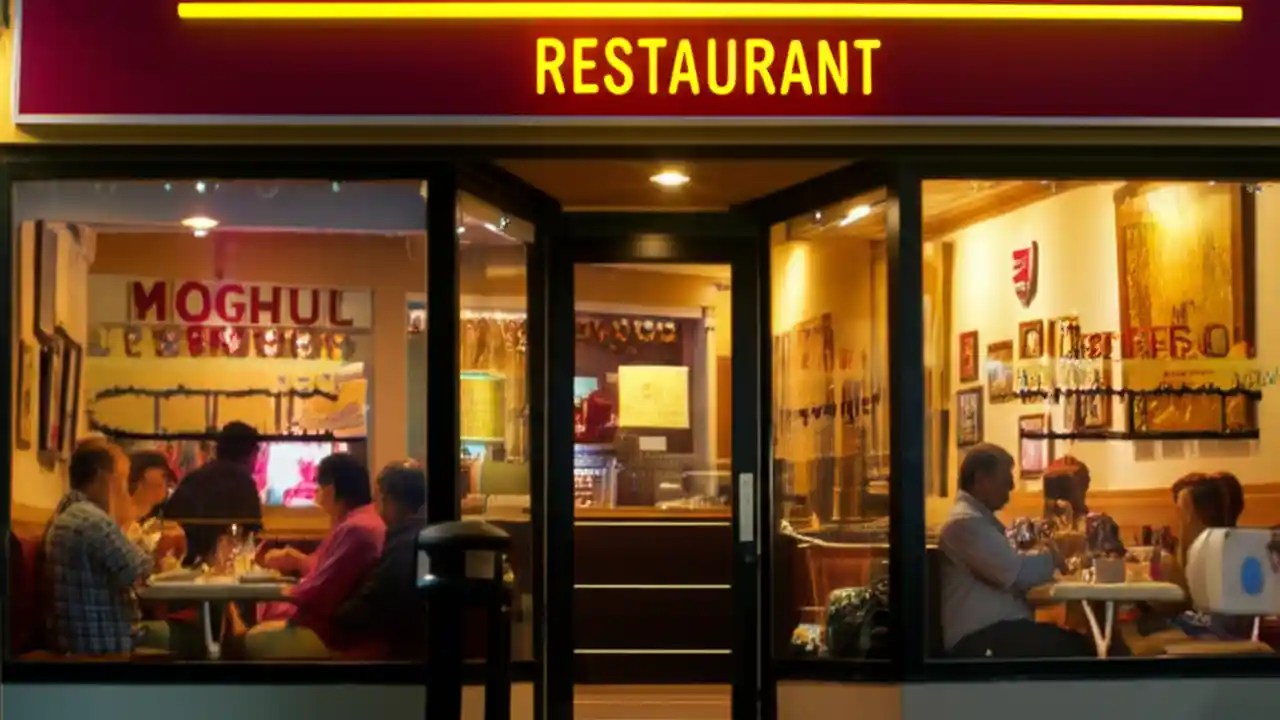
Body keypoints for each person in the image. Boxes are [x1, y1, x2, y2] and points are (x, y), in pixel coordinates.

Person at [939, 443, 1106, 658]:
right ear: (981, 479)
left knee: (1079, 644)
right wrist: (1054, 556)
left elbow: (1014, 568)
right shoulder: (965, 524)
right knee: (1078, 649)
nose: (1011, 486)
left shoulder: (978, 521)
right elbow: (1018, 574)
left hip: (998, 632)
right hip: (980, 638)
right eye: (1005, 478)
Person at [246, 453, 386, 659]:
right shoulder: (364, 520)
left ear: (330, 490)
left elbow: (320, 591)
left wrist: (277, 591)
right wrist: (298, 561)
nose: (316, 494)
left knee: (248, 636)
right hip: (339, 626)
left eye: (318, 487)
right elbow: (331, 571)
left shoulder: (356, 528)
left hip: (332, 635)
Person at [44, 442, 157, 655]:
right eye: (122, 479)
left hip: (81, 641)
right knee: (195, 637)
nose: (125, 491)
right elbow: (140, 571)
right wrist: (159, 550)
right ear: (104, 478)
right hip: (103, 648)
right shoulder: (90, 520)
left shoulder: (69, 513)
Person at [332, 461, 429, 658]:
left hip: (399, 655)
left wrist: (334, 614)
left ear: (386, 498)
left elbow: (367, 607)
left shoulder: (402, 546)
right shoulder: (424, 534)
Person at [164, 422, 264, 566]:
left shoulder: (194, 478)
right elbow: (251, 532)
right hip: (223, 567)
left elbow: (170, 519)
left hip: (184, 565)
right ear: (252, 453)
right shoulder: (243, 483)